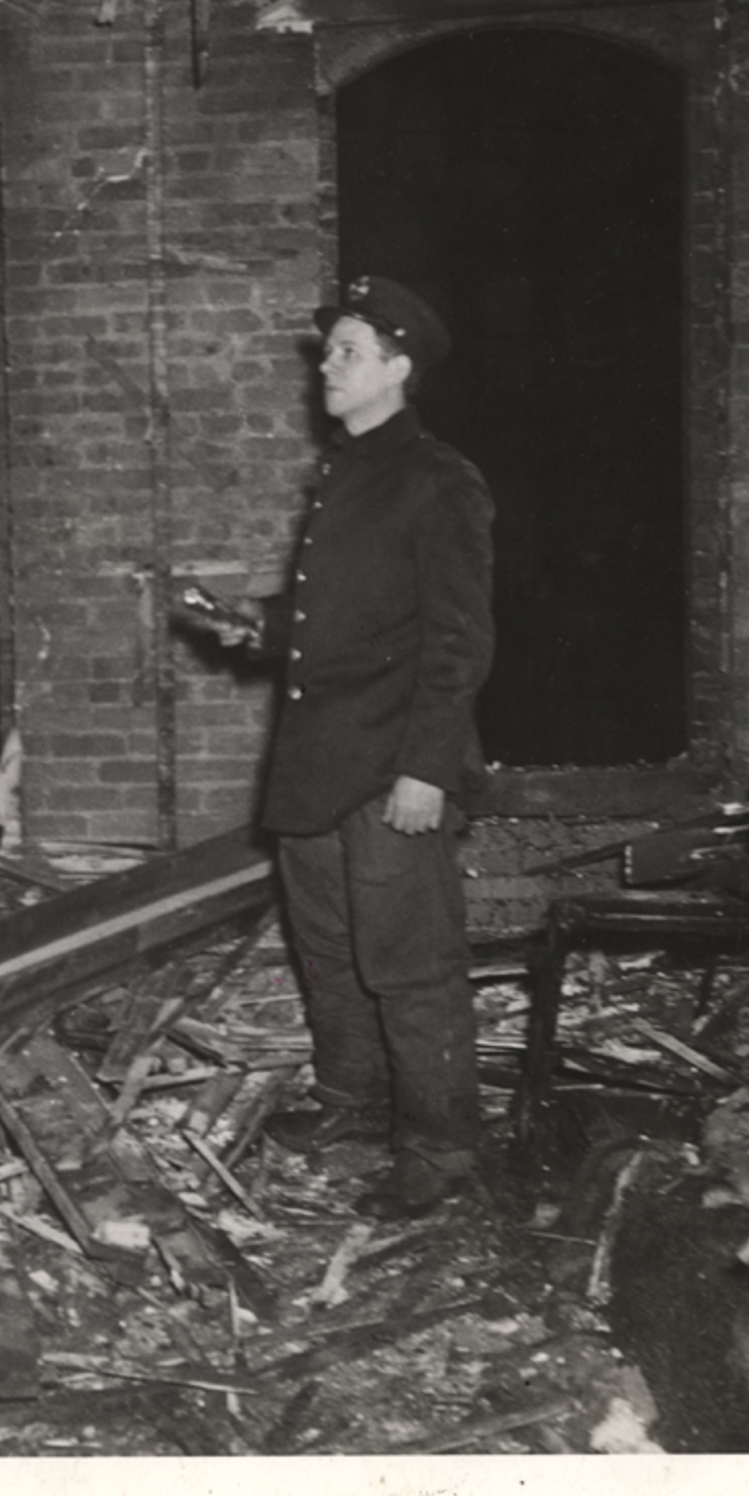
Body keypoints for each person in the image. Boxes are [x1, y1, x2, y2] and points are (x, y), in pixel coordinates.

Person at [180, 274, 496, 1219]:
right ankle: (351, 1106)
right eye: (329, 350)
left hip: (390, 766)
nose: (328, 365)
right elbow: (348, 618)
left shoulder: (438, 480)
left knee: (409, 962)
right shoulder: (347, 472)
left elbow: (459, 641)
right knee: (328, 948)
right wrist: (260, 625)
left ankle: (440, 1150)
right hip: (319, 763)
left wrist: (427, 769)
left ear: (399, 368)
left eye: (349, 352)